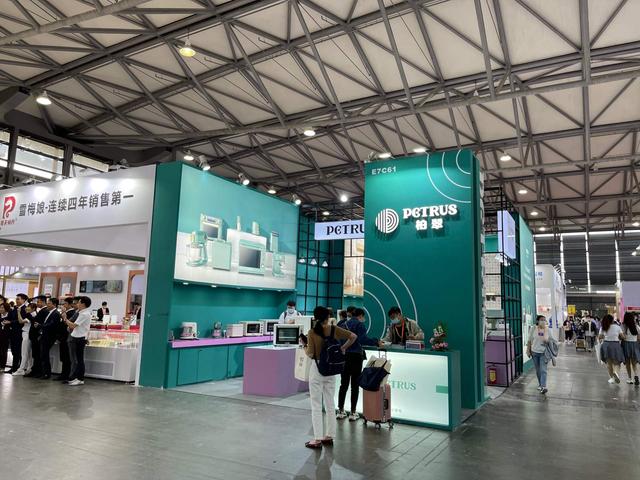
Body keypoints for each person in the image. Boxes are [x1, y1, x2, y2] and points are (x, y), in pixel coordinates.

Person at [302, 306, 356, 449]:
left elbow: (310, 353)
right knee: (330, 403)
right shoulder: (334, 329)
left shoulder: (312, 332)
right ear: (328, 317)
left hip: (317, 369)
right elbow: (353, 336)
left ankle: (317, 439)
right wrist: (343, 348)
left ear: (315, 318)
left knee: (316, 404)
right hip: (332, 369)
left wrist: (304, 346)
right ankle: (329, 436)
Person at [337, 308, 382, 421]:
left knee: (343, 384)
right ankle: (353, 413)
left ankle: (340, 411)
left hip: (344, 357)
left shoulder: (343, 324)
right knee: (355, 385)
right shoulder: (359, 325)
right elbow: (362, 340)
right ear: (361, 315)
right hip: (356, 357)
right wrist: (376, 342)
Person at [63, 296, 92, 386]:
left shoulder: (84, 314)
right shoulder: (81, 312)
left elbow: (73, 325)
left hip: (79, 338)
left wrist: (65, 318)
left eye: (79, 302)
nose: (77, 304)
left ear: (83, 304)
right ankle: (77, 378)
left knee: (78, 360)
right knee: (78, 359)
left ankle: (79, 378)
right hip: (77, 337)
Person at [599, 314, 625, 385]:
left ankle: (612, 378)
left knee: (609, 363)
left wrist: (605, 335)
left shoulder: (603, 327)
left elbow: (600, 337)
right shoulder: (617, 327)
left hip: (606, 345)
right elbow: (622, 336)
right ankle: (615, 372)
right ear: (612, 320)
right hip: (615, 345)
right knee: (617, 362)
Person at [527, 315, 550, 394]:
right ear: (537, 321)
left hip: (544, 353)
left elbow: (551, 340)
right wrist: (528, 350)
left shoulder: (547, 329)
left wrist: (547, 340)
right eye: (541, 320)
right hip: (534, 352)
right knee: (538, 370)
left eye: (544, 320)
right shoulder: (533, 329)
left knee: (543, 370)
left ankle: (543, 386)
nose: (543, 321)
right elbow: (529, 340)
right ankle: (540, 384)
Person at [39, 297, 61, 380]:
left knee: (44, 354)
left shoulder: (56, 313)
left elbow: (52, 325)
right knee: (43, 354)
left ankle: (46, 373)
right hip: (45, 335)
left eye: (49, 303)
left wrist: (41, 326)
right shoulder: (50, 312)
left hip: (49, 337)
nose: (47, 305)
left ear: (54, 304)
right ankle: (44, 372)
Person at [13, 301, 37, 376]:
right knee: (28, 353)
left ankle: (21, 369)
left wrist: (18, 312)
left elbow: (20, 321)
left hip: (27, 334)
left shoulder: (32, 315)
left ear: (33, 308)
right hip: (26, 334)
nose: (26, 308)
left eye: (28, 307)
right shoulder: (31, 314)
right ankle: (29, 368)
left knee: (24, 353)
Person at [25, 296, 46, 378]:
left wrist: (29, 315)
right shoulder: (41, 311)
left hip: (36, 335)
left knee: (37, 354)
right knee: (35, 354)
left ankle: (37, 371)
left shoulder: (43, 311)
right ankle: (35, 370)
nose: (37, 303)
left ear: (43, 302)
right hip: (34, 335)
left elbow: (36, 322)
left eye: (38, 302)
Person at [56, 298, 77, 382]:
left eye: (65, 304)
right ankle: (63, 374)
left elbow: (67, 325)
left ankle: (67, 375)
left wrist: (64, 315)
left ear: (69, 304)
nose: (63, 305)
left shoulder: (72, 313)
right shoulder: (65, 313)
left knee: (67, 357)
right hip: (62, 338)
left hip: (67, 337)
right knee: (64, 357)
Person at [621, 312, 640, 386]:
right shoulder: (636, 326)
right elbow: (639, 337)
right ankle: (636, 375)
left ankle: (630, 379)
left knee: (627, 363)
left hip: (626, 345)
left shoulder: (623, 326)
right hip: (634, 345)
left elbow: (622, 336)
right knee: (634, 363)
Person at [0, 302, 12, 372]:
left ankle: (2, 366)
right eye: (0, 307)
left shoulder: (9, 316)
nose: (0, 309)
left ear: (6, 309)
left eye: (2, 308)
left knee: (3, 351)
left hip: (6, 336)